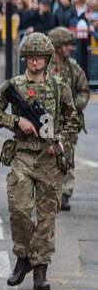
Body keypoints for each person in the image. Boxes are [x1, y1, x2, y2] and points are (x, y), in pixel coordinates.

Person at [0, 31, 78, 290]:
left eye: (39, 58)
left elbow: (74, 120)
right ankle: (22, 257)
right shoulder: (14, 86)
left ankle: (40, 269)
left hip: (49, 160)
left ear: (47, 59)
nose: (34, 62)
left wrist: (61, 142)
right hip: (23, 155)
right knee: (20, 210)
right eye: (30, 57)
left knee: (47, 216)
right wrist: (16, 121)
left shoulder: (60, 87)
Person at [47, 27, 89, 211]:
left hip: (69, 121)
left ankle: (65, 193)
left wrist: (74, 105)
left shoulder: (73, 67)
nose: (69, 49)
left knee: (67, 156)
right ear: (57, 47)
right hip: (48, 120)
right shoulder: (44, 66)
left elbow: (84, 91)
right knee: (47, 157)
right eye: (66, 46)